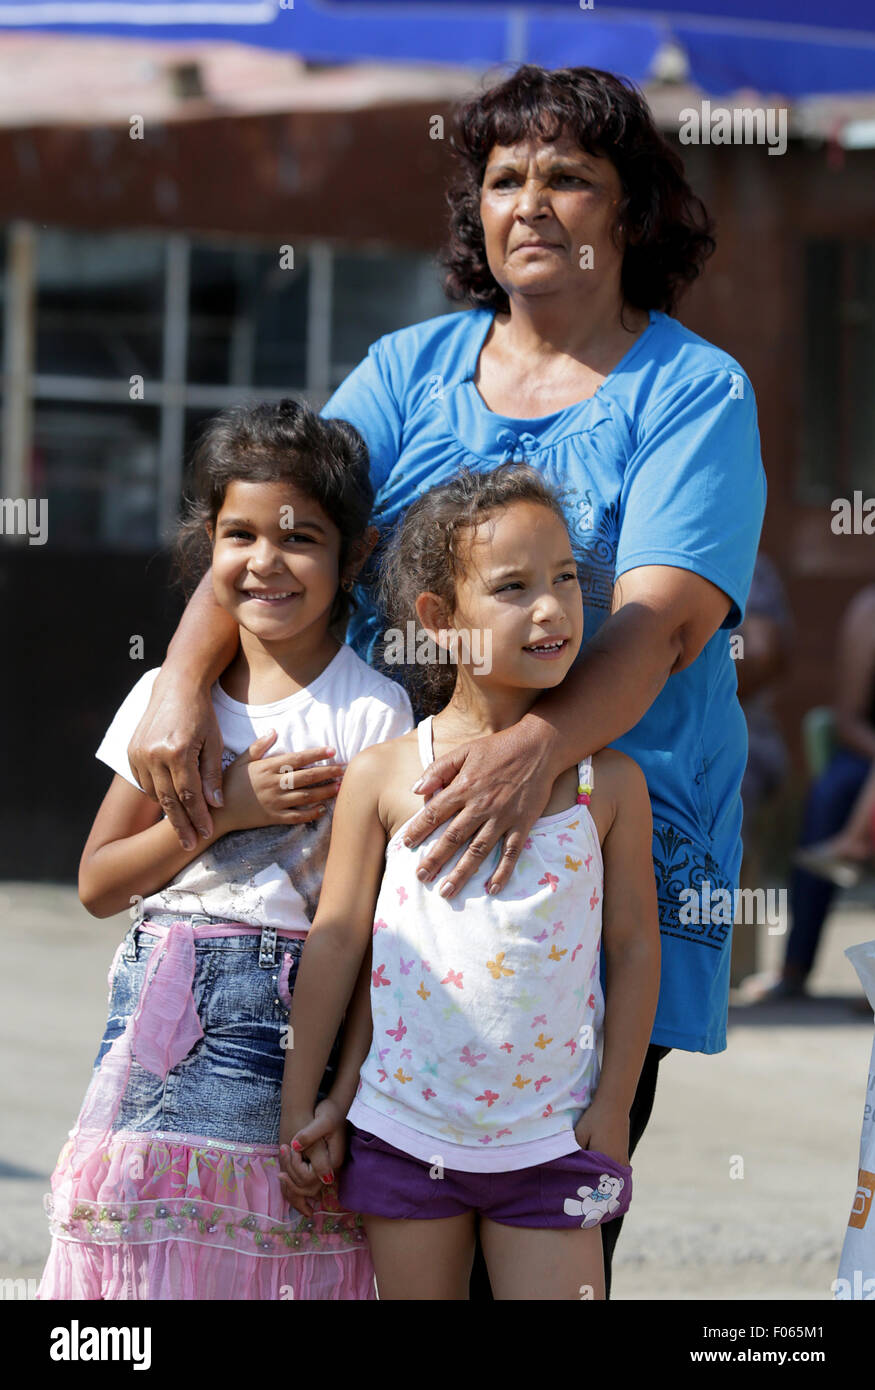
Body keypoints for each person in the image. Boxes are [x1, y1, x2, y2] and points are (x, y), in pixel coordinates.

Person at [126, 65, 766, 1295]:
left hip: (589, 850)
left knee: (538, 1231)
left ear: (629, 214)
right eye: (502, 179)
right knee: (365, 1236)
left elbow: (659, 627)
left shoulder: (693, 389)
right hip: (394, 844)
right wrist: (175, 679)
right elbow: (277, 524)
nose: (529, 203)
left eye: (567, 178)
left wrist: (536, 756)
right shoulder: (406, 369)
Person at [37, 401, 413, 1300]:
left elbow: (359, 930)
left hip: (295, 1026)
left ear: (354, 555)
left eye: (299, 538)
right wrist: (230, 808)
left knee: (279, 1245)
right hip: (159, 1018)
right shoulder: (165, 703)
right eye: (238, 534)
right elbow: (97, 883)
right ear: (208, 543)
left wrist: (344, 1088)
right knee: (139, 1241)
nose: (265, 561)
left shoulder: (375, 712)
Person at [278, 467, 660, 1300]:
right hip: (401, 1131)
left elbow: (632, 949)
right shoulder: (383, 776)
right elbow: (340, 937)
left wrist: (615, 1106)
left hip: (553, 1138)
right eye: (513, 587)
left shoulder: (611, 786)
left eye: (565, 578)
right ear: (439, 622)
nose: (553, 607)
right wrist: (303, 1102)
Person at [769, 584, 875, 998]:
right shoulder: (868, 611)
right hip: (867, 750)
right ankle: (794, 966)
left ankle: (850, 842)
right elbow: (847, 721)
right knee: (830, 794)